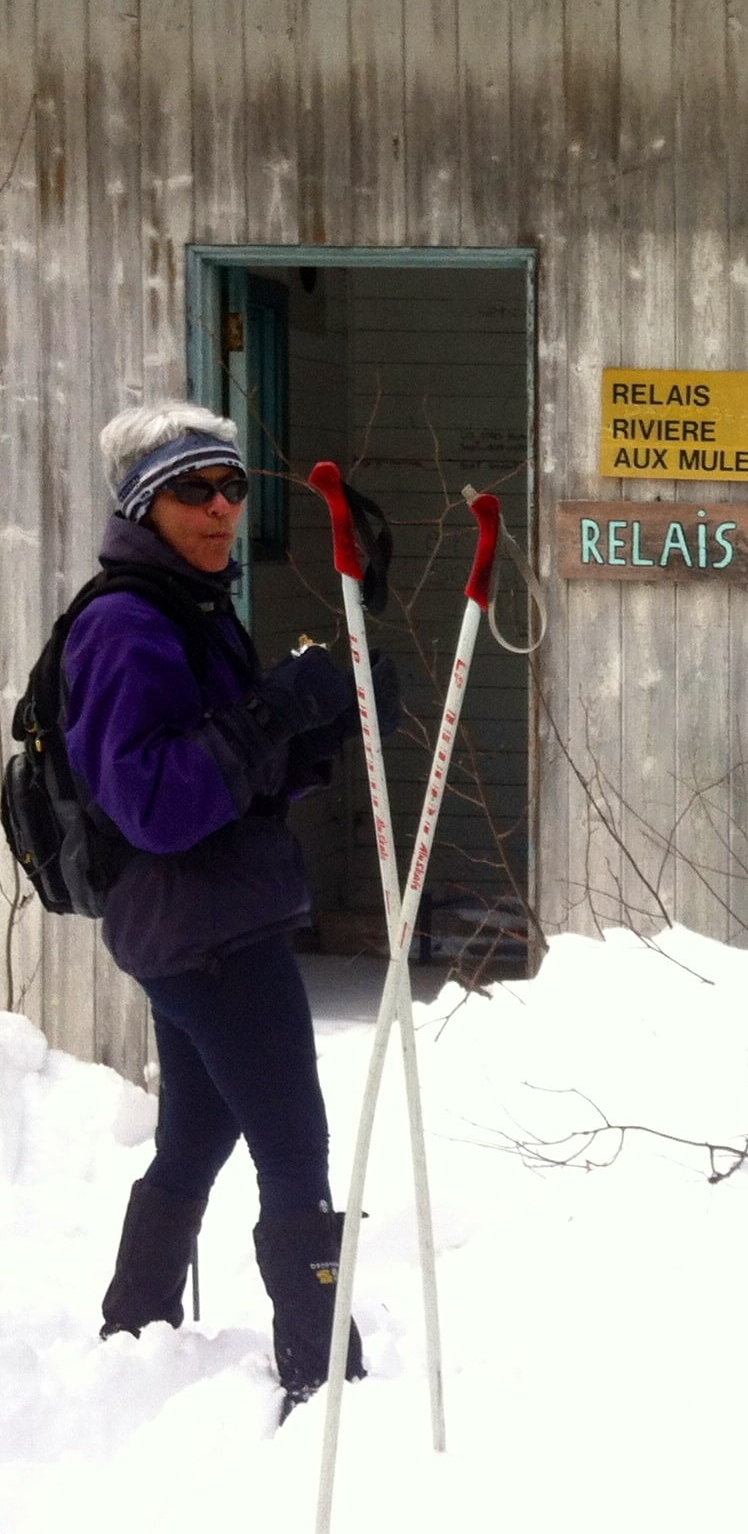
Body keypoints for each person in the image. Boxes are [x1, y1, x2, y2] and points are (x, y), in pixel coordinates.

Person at [65, 400, 391, 1418]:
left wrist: (310, 731)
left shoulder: (190, 607)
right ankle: (323, 1377)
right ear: (143, 505)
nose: (220, 510)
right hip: (204, 932)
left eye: (232, 487)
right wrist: (270, 709)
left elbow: (226, 781)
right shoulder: (128, 624)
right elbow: (156, 803)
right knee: (293, 1144)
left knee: (197, 1131)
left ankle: (136, 1329)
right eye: (191, 491)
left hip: (190, 922)